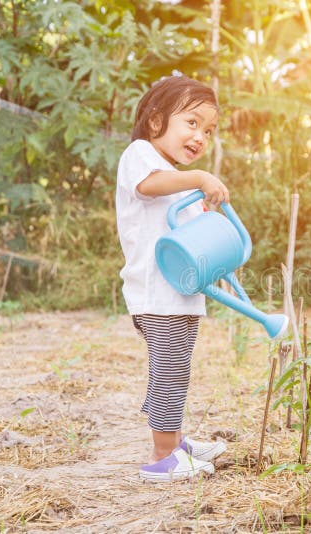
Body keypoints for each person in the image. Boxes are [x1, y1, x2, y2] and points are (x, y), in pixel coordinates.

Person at [115, 75, 230, 482]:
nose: (201, 136)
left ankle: (177, 442)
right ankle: (163, 457)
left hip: (181, 294)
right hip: (155, 293)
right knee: (168, 370)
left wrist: (220, 270)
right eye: (193, 122)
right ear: (155, 122)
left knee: (177, 369)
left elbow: (196, 240)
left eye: (209, 130)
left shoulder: (176, 178)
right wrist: (199, 178)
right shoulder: (141, 155)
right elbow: (149, 187)